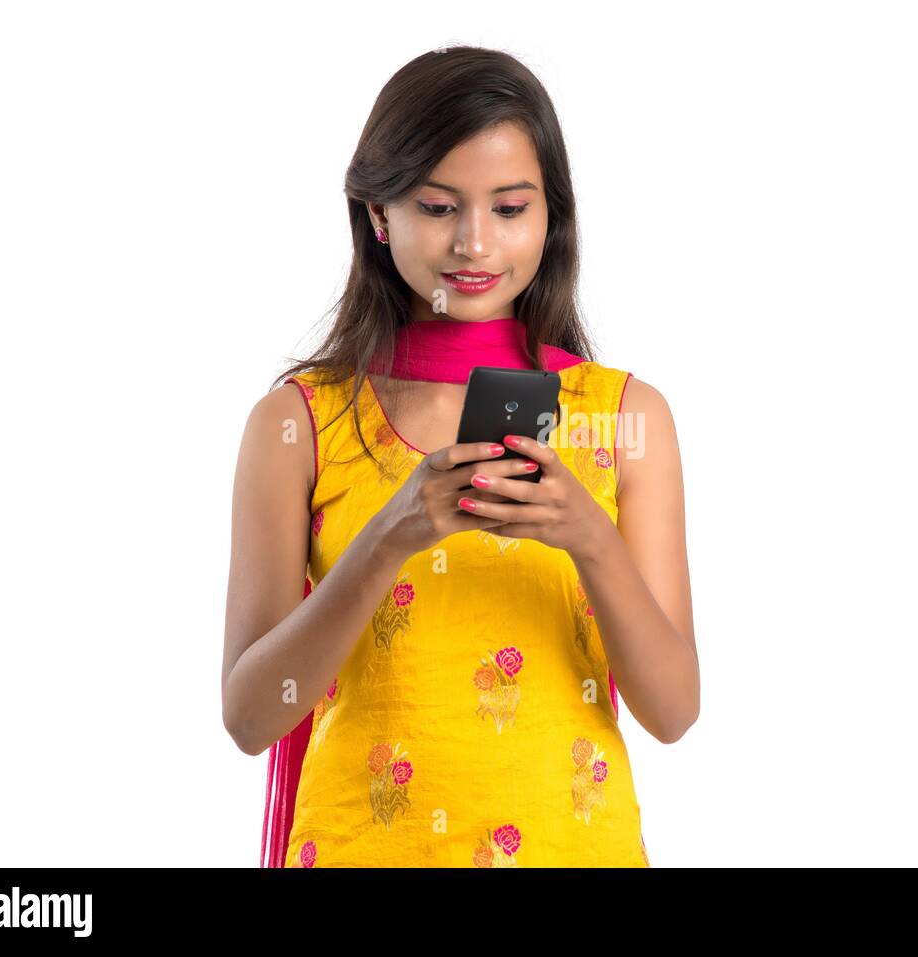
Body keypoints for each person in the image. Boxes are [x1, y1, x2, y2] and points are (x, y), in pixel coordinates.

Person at [222, 46, 698, 867]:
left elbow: (674, 710)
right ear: (377, 214)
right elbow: (251, 716)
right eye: (438, 207)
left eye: (510, 208)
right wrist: (389, 538)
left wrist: (588, 535)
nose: (475, 244)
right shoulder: (299, 421)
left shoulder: (622, 417)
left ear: (551, 218)